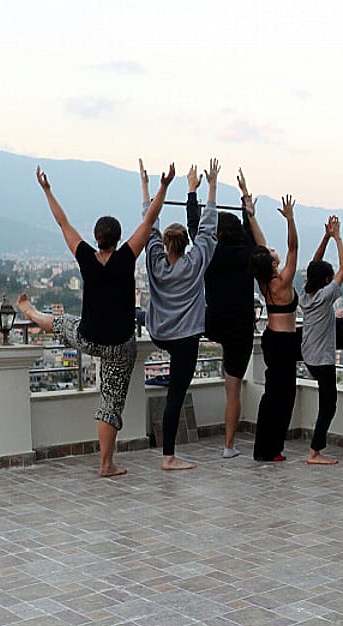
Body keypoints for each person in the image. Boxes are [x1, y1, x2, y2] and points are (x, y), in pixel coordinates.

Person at [22, 163, 172, 477]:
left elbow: (63, 224)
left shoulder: (87, 258)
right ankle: (106, 464)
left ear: (96, 237)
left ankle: (34, 315)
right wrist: (163, 187)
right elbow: (149, 220)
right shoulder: (126, 257)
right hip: (119, 344)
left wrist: (47, 190)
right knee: (110, 403)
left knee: (62, 323)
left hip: (89, 337)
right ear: (118, 239)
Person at [140, 157, 220, 471]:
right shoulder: (194, 262)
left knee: (139, 314)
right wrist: (204, 188)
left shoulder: (156, 262)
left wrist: (148, 187)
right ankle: (168, 456)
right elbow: (208, 229)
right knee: (175, 396)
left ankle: (169, 456)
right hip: (185, 337)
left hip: (159, 331)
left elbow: (149, 224)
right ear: (185, 244)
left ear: (164, 244)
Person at [186, 168, 258, 459]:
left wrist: (194, 191)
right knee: (233, 390)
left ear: (216, 233)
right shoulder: (248, 253)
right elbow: (251, 230)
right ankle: (228, 446)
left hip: (212, 321)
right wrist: (245, 199)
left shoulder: (211, 252)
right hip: (241, 326)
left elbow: (195, 228)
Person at [247, 182, 300, 462]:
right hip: (283, 343)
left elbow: (260, 244)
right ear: (270, 264)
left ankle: (266, 447)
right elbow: (293, 247)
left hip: (273, 339)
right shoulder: (280, 283)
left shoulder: (265, 281)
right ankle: (271, 448)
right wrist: (291, 219)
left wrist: (252, 215)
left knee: (272, 395)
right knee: (282, 397)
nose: (272, 251)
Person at [299, 215, 343, 464]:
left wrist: (326, 237)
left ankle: (315, 450)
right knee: (328, 405)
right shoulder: (326, 296)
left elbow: (313, 265)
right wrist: (338, 237)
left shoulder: (306, 295)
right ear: (327, 281)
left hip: (309, 356)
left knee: (326, 403)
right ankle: (315, 451)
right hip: (322, 359)